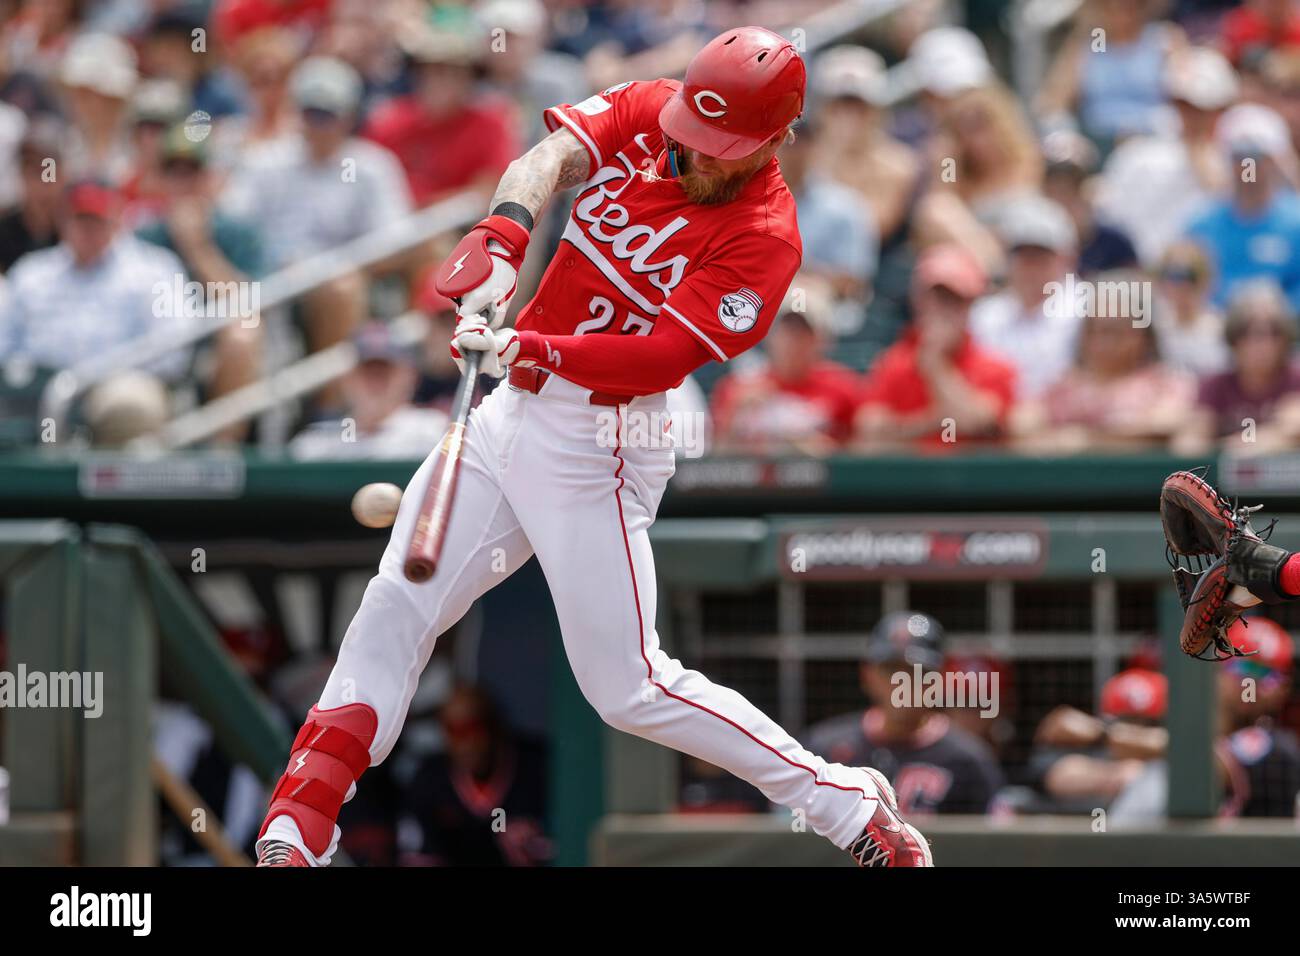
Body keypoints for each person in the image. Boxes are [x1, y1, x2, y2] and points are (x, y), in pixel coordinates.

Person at [254, 26, 932, 869]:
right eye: (693, 129)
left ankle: (845, 803)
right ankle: (299, 826)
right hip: (510, 411)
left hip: (601, 439)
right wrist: (505, 234)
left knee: (628, 688)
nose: (694, 153)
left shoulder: (768, 234)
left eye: (722, 147)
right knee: (399, 597)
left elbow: (661, 357)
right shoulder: (655, 111)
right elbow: (545, 162)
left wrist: (538, 348)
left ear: (779, 140)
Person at [806, 612, 1005, 815]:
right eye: (891, 670)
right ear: (867, 675)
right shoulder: (823, 749)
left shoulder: (969, 761)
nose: (903, 684)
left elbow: (987, 843)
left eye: (917, 672)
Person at [856, 243, 1016, 451]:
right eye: (934, 298)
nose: (941, 309)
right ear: (918, 300)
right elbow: (870, 428)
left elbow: (974, 422)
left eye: (953, 300)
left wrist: (935, 365)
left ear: (969, 305)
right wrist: (938, 420)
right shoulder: (893, 361)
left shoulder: (995, 367)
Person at [1010, 284, 1197, 452]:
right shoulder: (1066, 385)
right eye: (1094, 331)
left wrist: (1090, 439)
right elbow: (1023, 422)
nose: (1102, 342)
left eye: (1114, 332)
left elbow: (1165, 425)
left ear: (1143, 336)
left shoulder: (1164, 382)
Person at [398, 684, 551, 866]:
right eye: (454, 731)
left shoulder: (536, 766)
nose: (465, 743)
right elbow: (420, 855)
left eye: (472, 728)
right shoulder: (430, 780)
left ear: (492, 726)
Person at [709, 279, 860, 454]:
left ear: (822, 340)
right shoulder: (737, 387)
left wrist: (818, 447)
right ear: (770, 335)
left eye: (802, 333)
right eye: (786, 331)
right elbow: (714, 457)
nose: (792, 342)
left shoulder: (844, 388)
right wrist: (735, 415)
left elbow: (862, 456)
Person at [1185, 103, 1300, 312]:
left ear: (1274, 160)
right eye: (1239, 156)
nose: (1247, 165)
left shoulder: (1295, 222)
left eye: (1254, 155)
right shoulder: (1201, 224)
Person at [969, 195, 1082, 400]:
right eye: (1023, 256)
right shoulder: (985, 314)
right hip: (994, 419)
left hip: (1064, 422)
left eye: (1041, 257)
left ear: (1066, 258)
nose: (1031, 267)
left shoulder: (1088, 308)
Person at [288, 322, 449, 461]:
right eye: (366, 372)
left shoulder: (432, 430)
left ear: (409, 376)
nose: (375, 383)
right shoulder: (321, 441)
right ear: (347, 378)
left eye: (384, 373)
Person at [1172, 279, 1300, 455]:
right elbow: (1187, 444)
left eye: (1273, 332)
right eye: (1249, 333)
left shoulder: (1296, 379)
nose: (1263, 344)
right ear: (1234, 339)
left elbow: (1294, 427)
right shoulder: (1216, 385)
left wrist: (1271, 439)